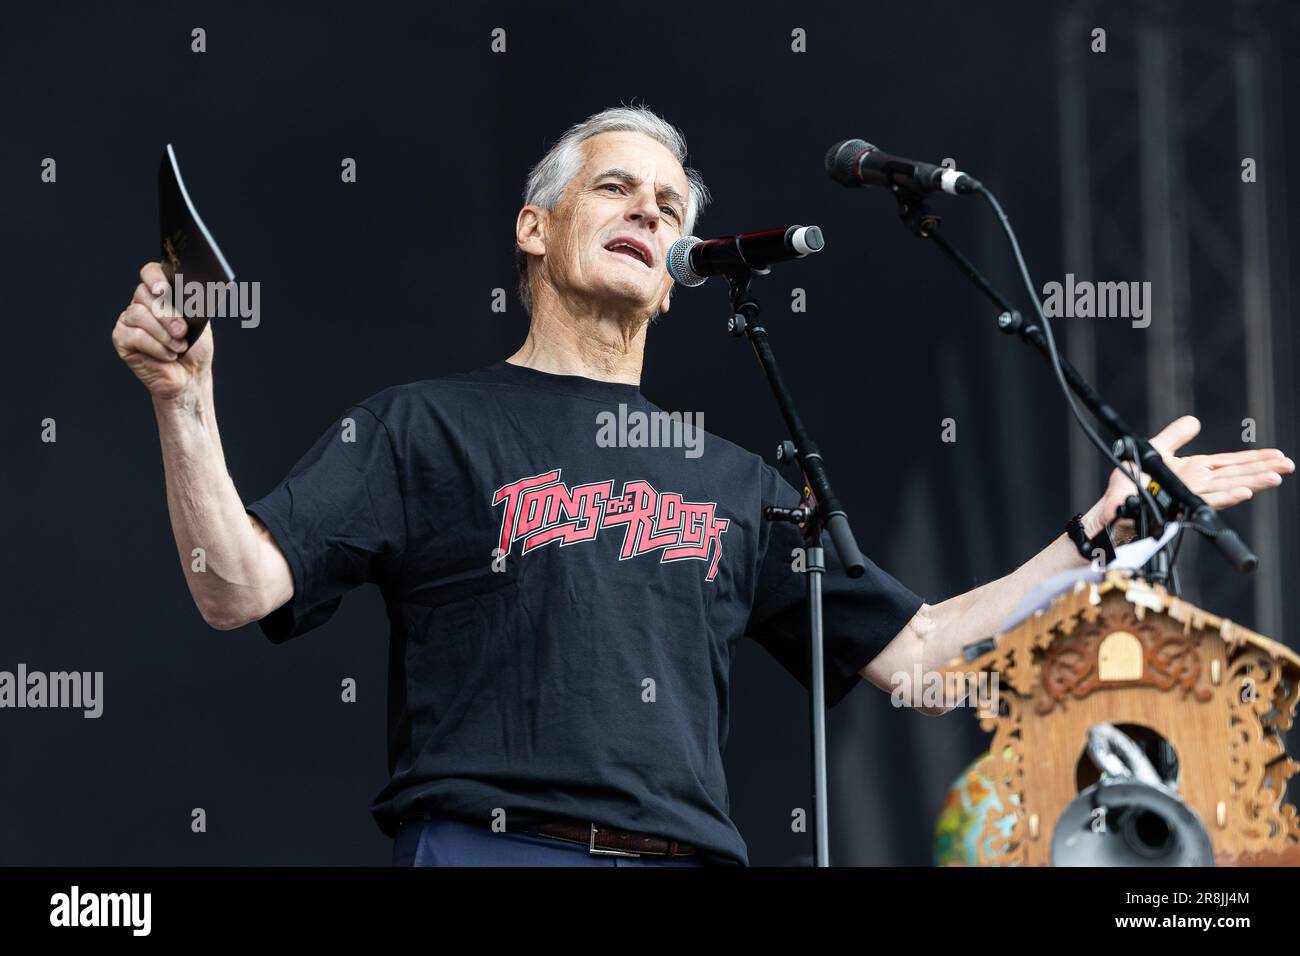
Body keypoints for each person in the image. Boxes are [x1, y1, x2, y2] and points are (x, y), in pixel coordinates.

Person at [111, 105, 1294, 866]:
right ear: (535, 226)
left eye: (669, 206)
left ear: (680, 278)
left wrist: (1095, 534)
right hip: (495, 847)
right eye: (617, 189)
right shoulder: (428, 424)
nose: (650, 212)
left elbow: (915, 652)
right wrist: (184, 400)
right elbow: (238, 587)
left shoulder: (733, 476)